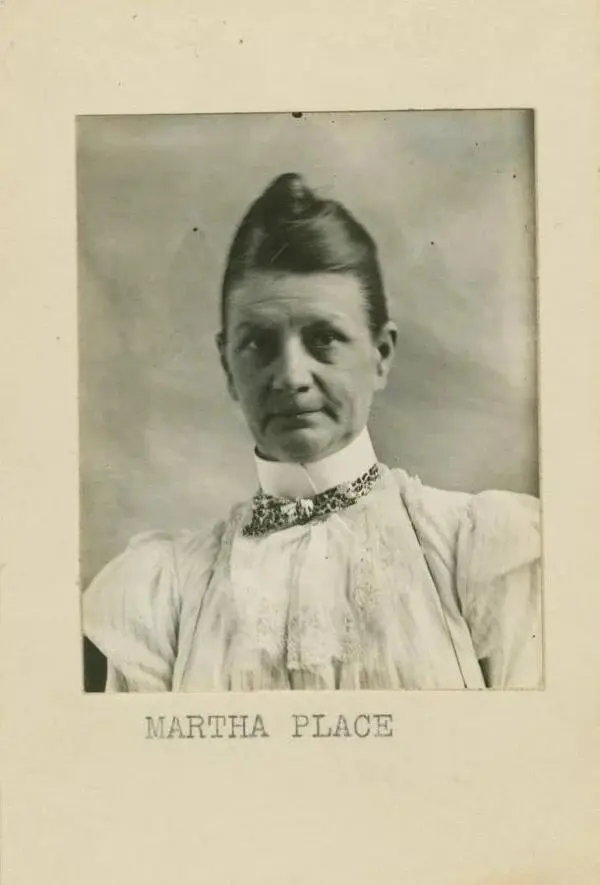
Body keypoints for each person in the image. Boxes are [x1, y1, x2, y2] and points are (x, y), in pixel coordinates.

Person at [82, 172, 541, 691]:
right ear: (228, 365)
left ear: (381, 354)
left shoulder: (474, 555)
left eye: (324, 338)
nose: (291, 376)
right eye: (259, 343)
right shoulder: (165, 595)